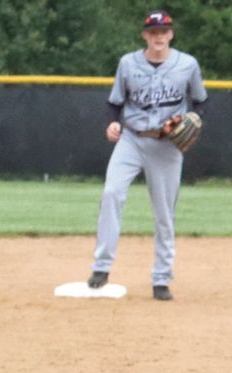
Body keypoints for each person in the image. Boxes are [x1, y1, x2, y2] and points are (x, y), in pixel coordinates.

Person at [86, 10, 206, 302]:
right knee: (112, 193)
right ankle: (101, 268)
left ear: (171, 34)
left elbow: (200, 102)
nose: (158, 36)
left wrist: (191, 119)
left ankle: (161, 279)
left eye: (163, 31)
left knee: (164, 213)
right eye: (153, 32)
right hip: (131, 139)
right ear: (145, 35)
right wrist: (112, 123)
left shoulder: (187, 65)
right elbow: (115, 103)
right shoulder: (128, 63)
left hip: (166, 146)